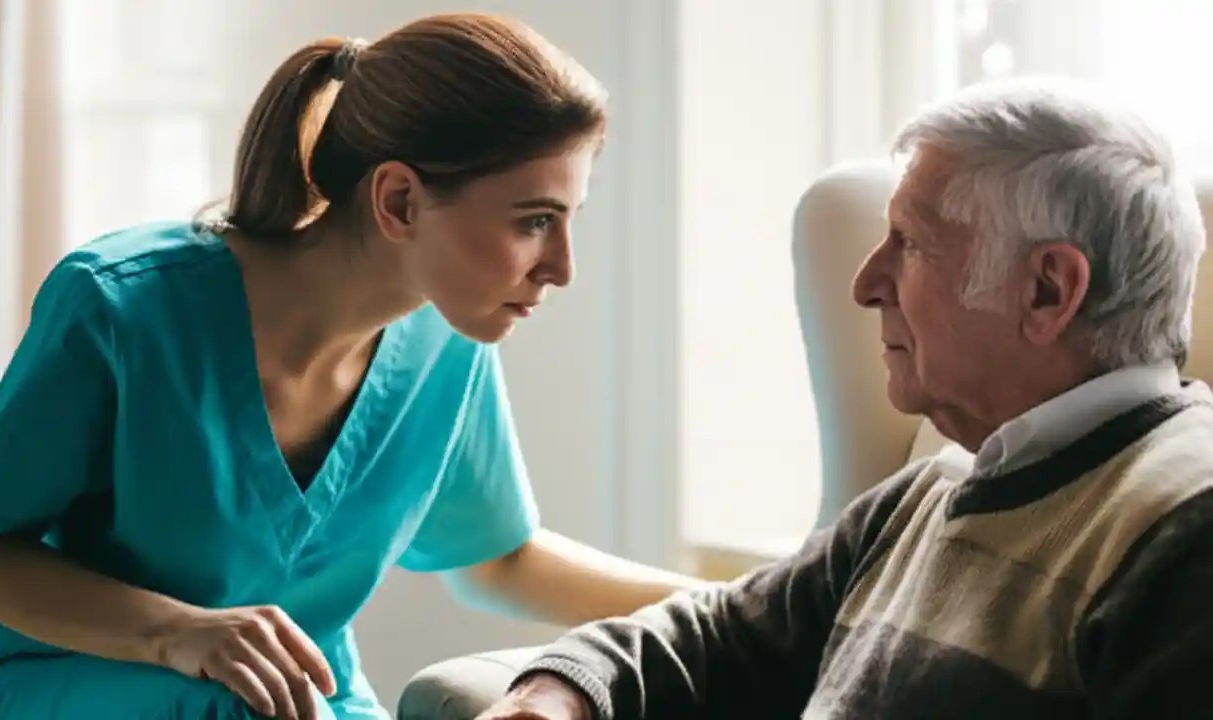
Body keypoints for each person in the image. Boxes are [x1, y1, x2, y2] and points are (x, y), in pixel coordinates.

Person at [0, 13, 700, 720]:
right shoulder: (122, 309)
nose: (562, 268)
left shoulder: (449, 343)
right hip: (75, 683)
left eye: (568, 221)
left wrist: (751, 610)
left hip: (300, 704)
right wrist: (177, 634)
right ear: (399, 201)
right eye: (535, 221)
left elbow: (498, 558)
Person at [478, 81, 1213, 719]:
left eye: (910, 243)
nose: (865, 283)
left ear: (1048, 289)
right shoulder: (941, 485)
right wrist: (558, 692)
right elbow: (720, 632)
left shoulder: (1185, 533)